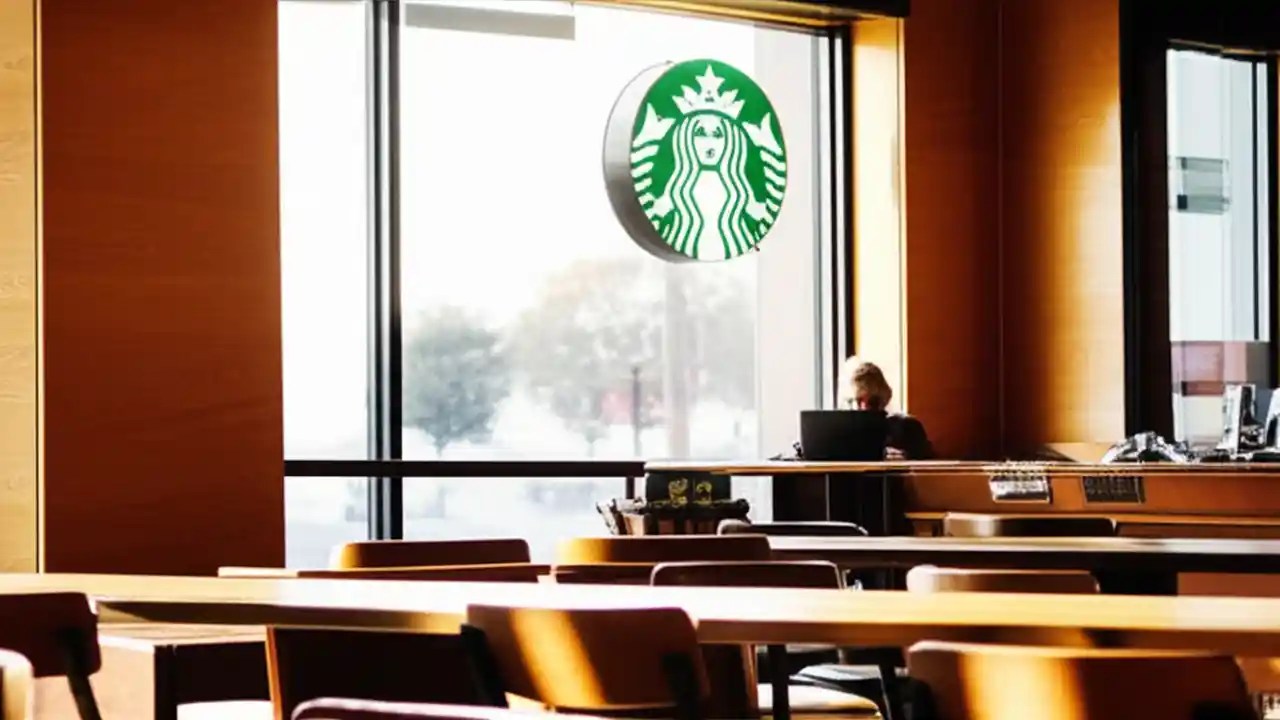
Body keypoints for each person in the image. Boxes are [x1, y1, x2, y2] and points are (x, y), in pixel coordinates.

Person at [840, 357, 934, 460]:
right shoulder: (841, 434)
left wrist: (906, 458)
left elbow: (928, 468)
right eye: (858, 401)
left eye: (873, 402)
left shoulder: (908, 429)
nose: (865, 407)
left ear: (883, 399)